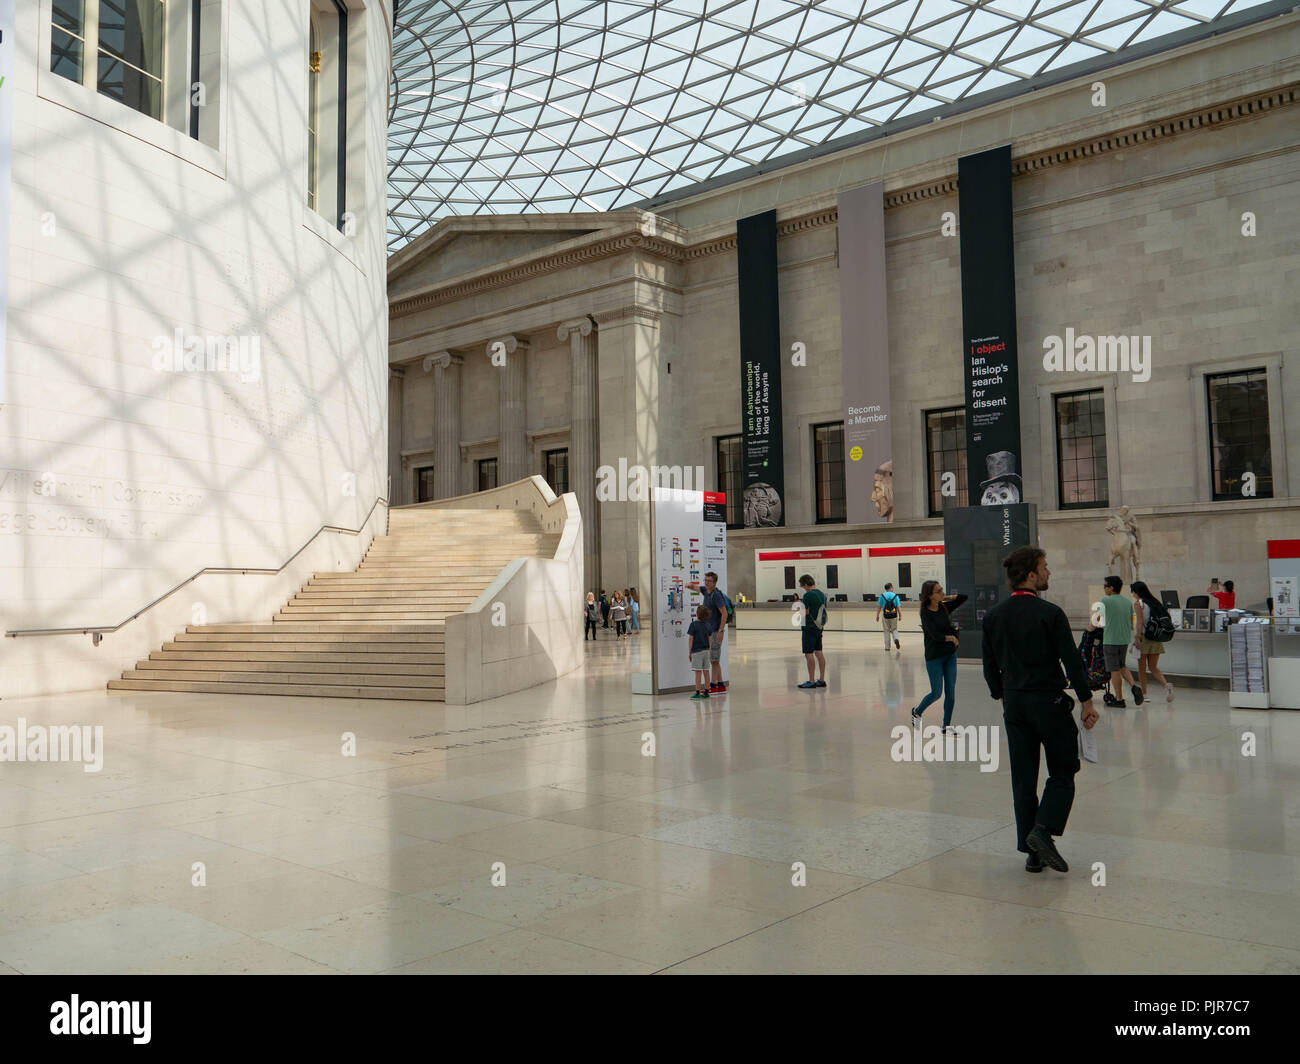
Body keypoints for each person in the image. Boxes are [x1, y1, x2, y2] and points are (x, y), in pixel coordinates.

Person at [982, 547, 1099, 874]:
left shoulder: (993, 617)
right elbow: (1072, 662)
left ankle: (1032, 853)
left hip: (1015, 704)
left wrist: (1001, 696)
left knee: (1023, 778)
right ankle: (1043, 830)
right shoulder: (1050, 613)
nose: (1049, 573)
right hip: (1048, 702)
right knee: (1064, 769)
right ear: (1031, 575)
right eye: (1045, 568)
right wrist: (1087, 699)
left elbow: (989, 666)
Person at [909, 579, 967, 733]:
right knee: (936, 692)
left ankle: (946, 726)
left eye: (942, 590)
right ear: (930, 595)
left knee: (951, 693)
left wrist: (945, 597)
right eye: (939, 591)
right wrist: (951, 638)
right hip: (934, 656)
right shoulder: (925, 613)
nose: (942, 593)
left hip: (949, 655)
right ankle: (917, 712)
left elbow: (963, 597)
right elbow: (934, 635)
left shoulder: (943, 606)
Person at [1092, 575, 1140, 706]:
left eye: (1105, 586)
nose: (1104, 589)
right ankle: (1134, 686)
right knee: (1122, 666)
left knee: (1114, 669)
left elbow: (1096, 621)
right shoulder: (1127, 602)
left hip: (1111, 640)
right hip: (1124, 639)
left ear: (1111, 588)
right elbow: (1131, 622)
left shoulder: (1105, 601)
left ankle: (1119, 699)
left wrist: (1090, 629)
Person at [1131, 581, 1175, 702]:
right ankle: (1166, 685)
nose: (1132, 594)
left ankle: (1145, 694)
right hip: (1156, 638)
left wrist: (1137, 637)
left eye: (1133, 591)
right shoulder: (1154, 602)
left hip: (1144, 638)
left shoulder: (1138, 604)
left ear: (1136, 592)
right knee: (1153, 667)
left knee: (1142, 668)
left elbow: (1139, 623)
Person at [691, 571, 729, 693]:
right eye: (705, 580)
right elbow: (695, 587)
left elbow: (724, 612)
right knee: (714, 658)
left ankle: (713, 686)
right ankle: (721, 684)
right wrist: (688, 585)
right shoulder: (705, 590)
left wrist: (721, 630)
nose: (707, 583)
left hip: (715, 631)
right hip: (709, 631)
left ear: (715, 582)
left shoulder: (716, 595)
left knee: (714, 660)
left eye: (709, 581)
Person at [797, 574, 827, 689]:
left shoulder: (808, 595)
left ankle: (811, 680)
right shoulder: (822, 594)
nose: (803, 588)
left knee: (808, 653)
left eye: (802, 586)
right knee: (819, 652)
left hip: (809, 627)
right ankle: (822, 679)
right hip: (819, 627)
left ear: (805, 584)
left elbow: (805, 611)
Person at [687, 605, 712, 700]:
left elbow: (690, 639)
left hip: (696, 652)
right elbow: (710, 639)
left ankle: (697, 692)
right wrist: (709, 650)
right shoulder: (708, 625)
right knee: (706, 672)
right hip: (706, 651)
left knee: (698, 673)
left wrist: (689, 652)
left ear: (697, 614)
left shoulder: (693, 625)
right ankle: (706, 691)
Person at [875, 582, 902, 652]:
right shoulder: (895, 596)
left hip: (885, 616)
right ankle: (896, 639)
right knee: (894, 629)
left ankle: (887, 647)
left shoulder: (882, 596)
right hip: (894, 615)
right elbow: (898, 607)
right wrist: (900, 615)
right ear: (890, 587)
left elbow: (879, 607)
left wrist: (877, 615)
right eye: (892, 587)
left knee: (886, 631)